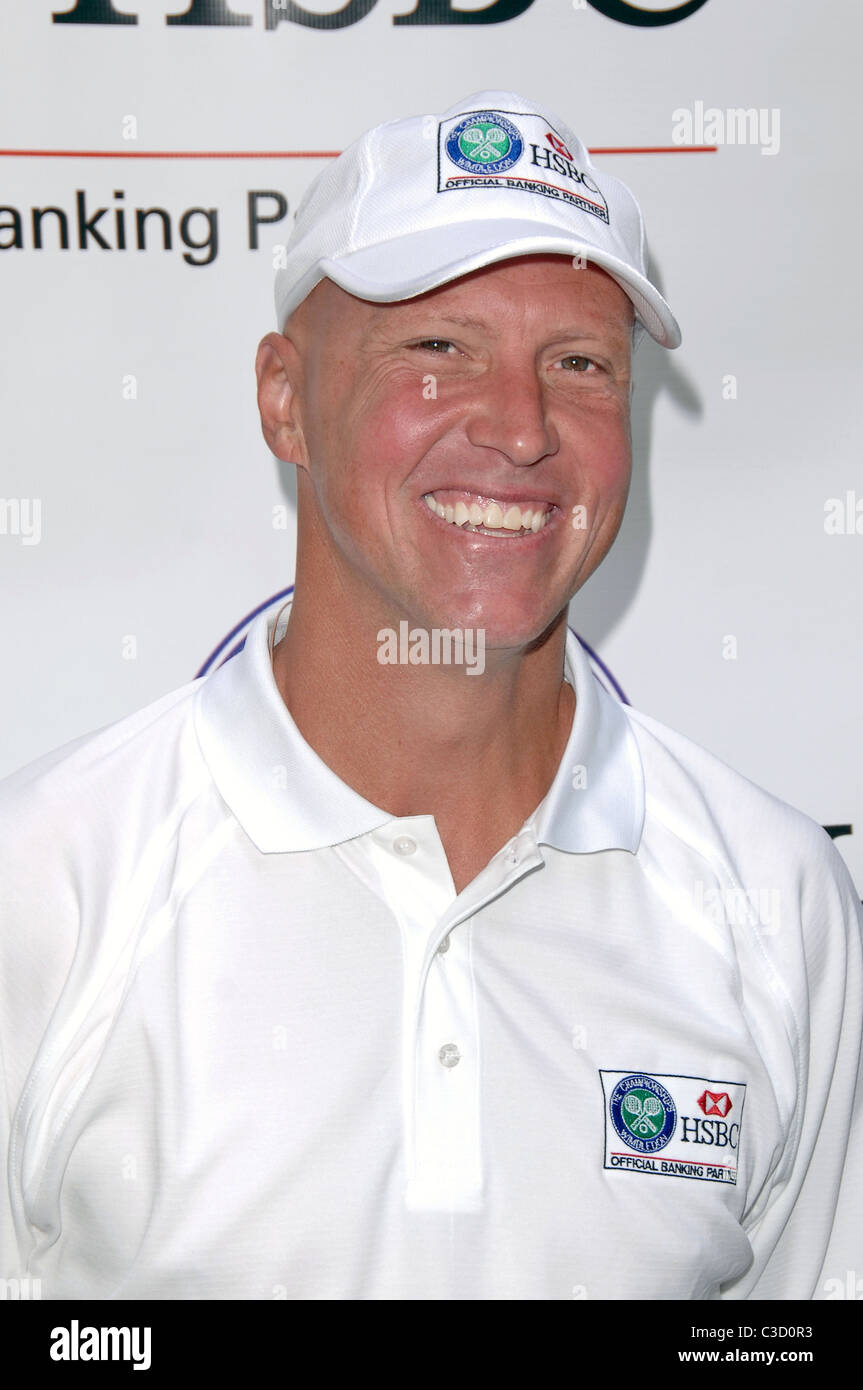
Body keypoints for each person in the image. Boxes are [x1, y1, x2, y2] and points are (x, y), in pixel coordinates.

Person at [1, 88, 860, 1302]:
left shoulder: (776, 901)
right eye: (436, 348)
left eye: (577, 365)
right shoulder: (44, 882)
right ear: (284, 399)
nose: (518, 430)